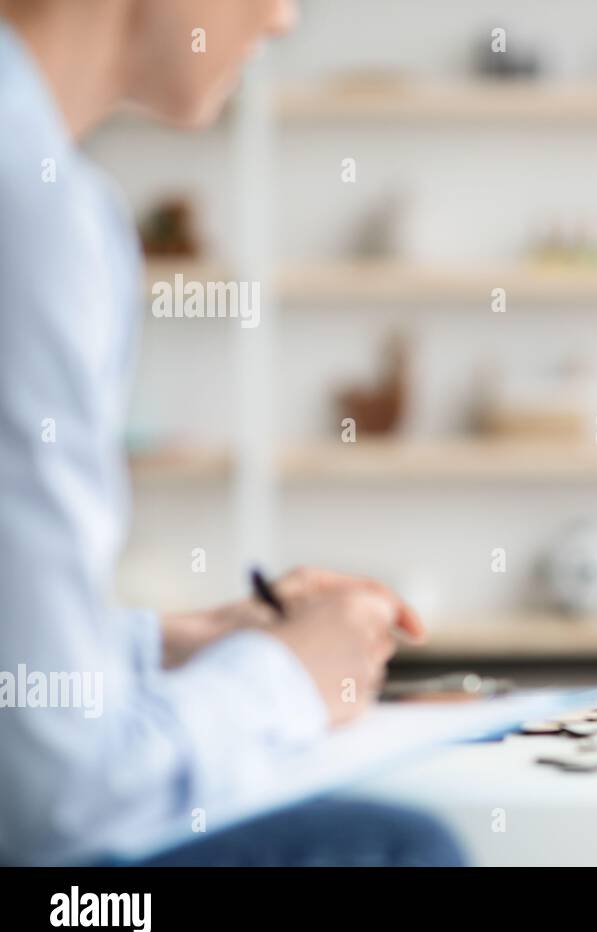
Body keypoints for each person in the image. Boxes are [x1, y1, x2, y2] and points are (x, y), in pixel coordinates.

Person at [0, 0, 464, 866]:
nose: (284, 19)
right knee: (398, 849)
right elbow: (60, 802)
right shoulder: (34, 208)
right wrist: (288, 678)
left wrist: (156, 646)